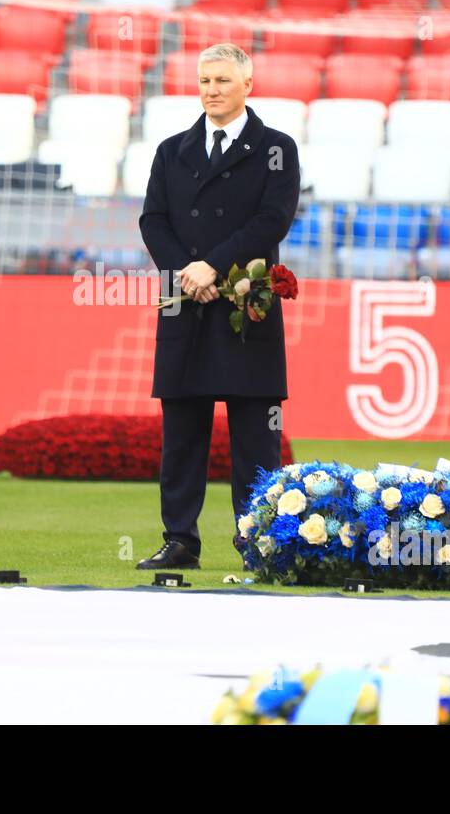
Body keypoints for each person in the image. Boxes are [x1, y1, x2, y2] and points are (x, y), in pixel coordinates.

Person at [136, 43, 301, 570]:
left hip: (246, 308)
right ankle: (179, 541)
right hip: (185, 306)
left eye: (223, 81)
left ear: (248, 85)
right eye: (205, 80)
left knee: (256, 434)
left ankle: (257, 543)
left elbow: (271, 220)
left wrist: (215, 266)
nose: (211, 90)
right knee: (182, 434)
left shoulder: (277, 148)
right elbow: (152, 221)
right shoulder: (171, 149)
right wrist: (191, 274)